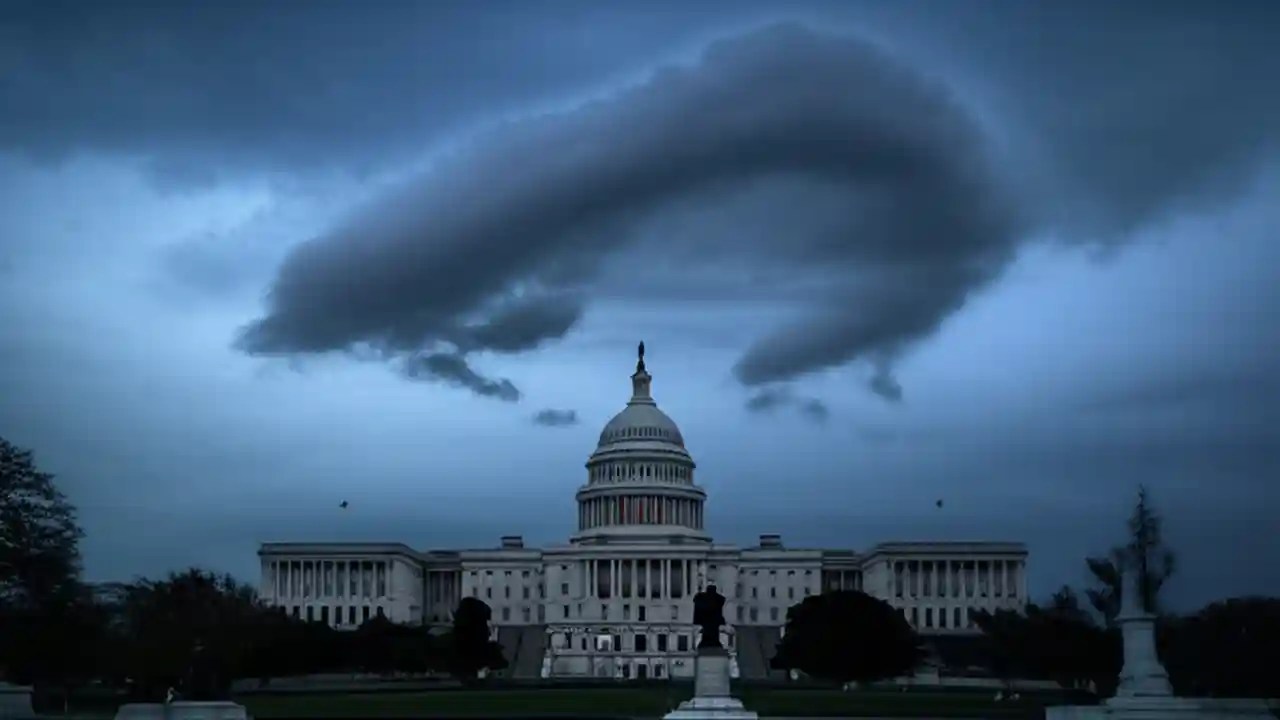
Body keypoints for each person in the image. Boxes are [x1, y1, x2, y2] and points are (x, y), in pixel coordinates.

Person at [692, 585, 727, 649]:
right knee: (711, 633)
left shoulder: (702, 597)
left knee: (711, 634)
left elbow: (695, 600)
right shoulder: (718, 599)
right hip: (711, 622)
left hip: (709, 622)